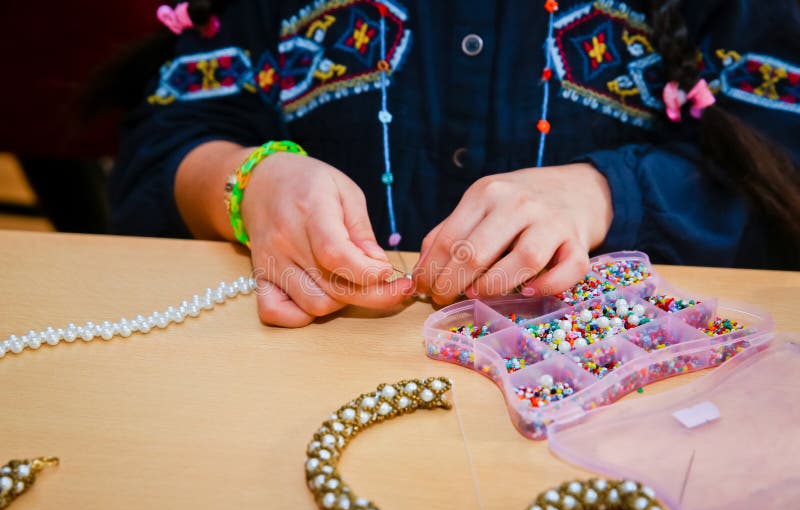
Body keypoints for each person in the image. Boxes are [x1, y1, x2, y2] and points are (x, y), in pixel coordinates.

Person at [107, 0, 800, 327]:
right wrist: (251, 183)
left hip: (627, 400)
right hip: (300, 379)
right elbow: (166, 144)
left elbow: (779, 176)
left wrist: (599, 194)